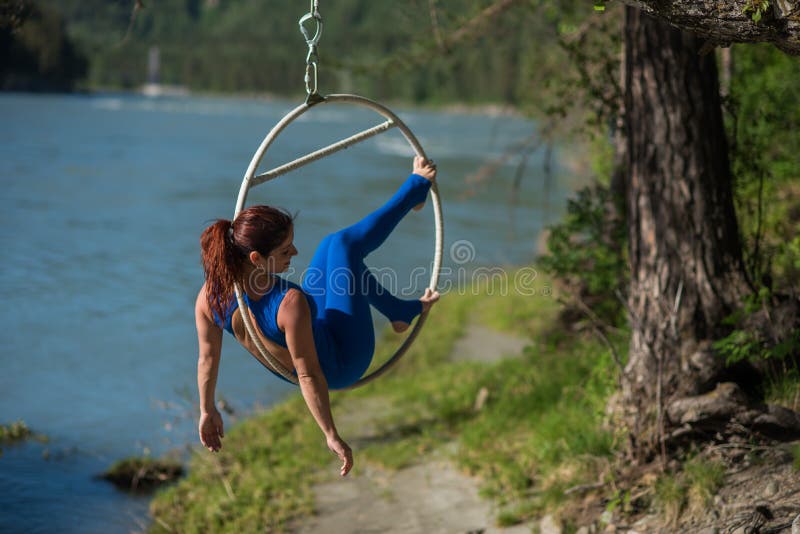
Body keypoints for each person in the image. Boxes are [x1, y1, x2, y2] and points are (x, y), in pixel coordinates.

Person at [194, 156, 440, 476]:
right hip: (341, 361)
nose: (295, 254)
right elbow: (308, 375)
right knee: (344, 247)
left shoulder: (209, 296)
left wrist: (206, 408)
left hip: (317, 332)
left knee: (332, 249)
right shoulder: (289, 303)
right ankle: (415, 190)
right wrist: (330, 434)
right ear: (256, 258)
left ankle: (398, 312)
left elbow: (206, 360)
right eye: (284, 251)